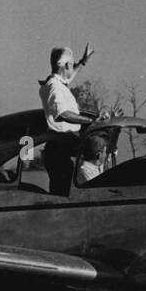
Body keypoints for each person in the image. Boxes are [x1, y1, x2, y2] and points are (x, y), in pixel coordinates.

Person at [38, 43, 105, 196]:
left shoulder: (58, 84)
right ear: (66, 65)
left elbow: (70, 75)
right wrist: (90, 121)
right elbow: (62, 113)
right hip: (60, 148)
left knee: (64, 190)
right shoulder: (55, 87)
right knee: (63, 193)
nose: (72, 67)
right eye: (71, 63)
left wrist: (83, 61)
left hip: (61, 147)